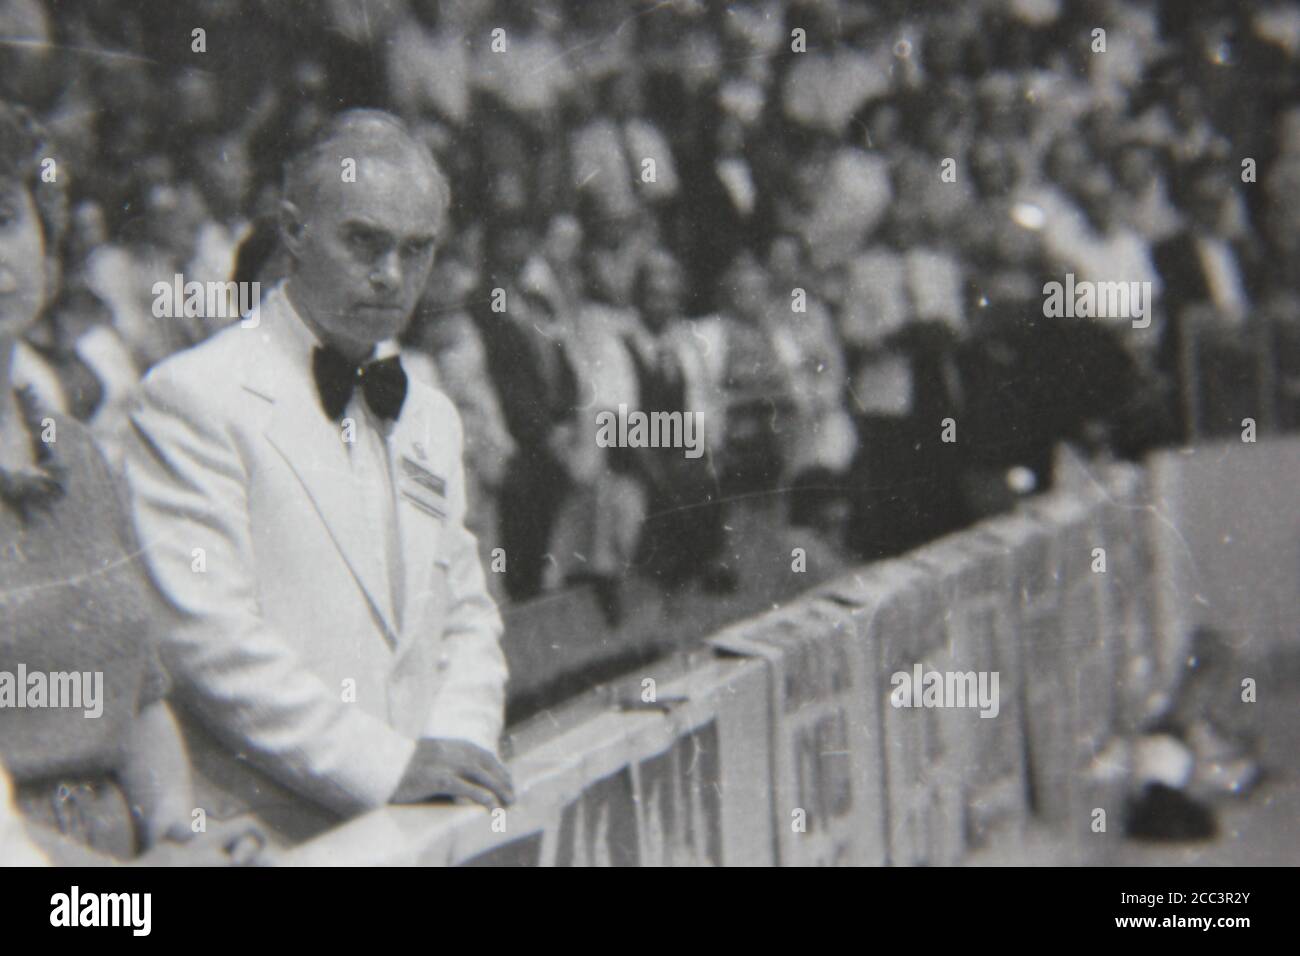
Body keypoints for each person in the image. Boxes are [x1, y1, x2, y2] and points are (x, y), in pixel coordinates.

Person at [126, 110, 513, 841]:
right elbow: (208, 641)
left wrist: (456, 757)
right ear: (295, 230)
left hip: (424, 831)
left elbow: (465, 610)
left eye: (417, 250)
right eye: (364, 241)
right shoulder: (192, 396)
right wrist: (386, 766)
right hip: (267, 830)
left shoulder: (430, 413)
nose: (392, 275)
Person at [0, 102, 244, 865]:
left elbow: (137, 693)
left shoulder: (74, 453)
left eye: (4, 217)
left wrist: (181, 829)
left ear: (45, 233)